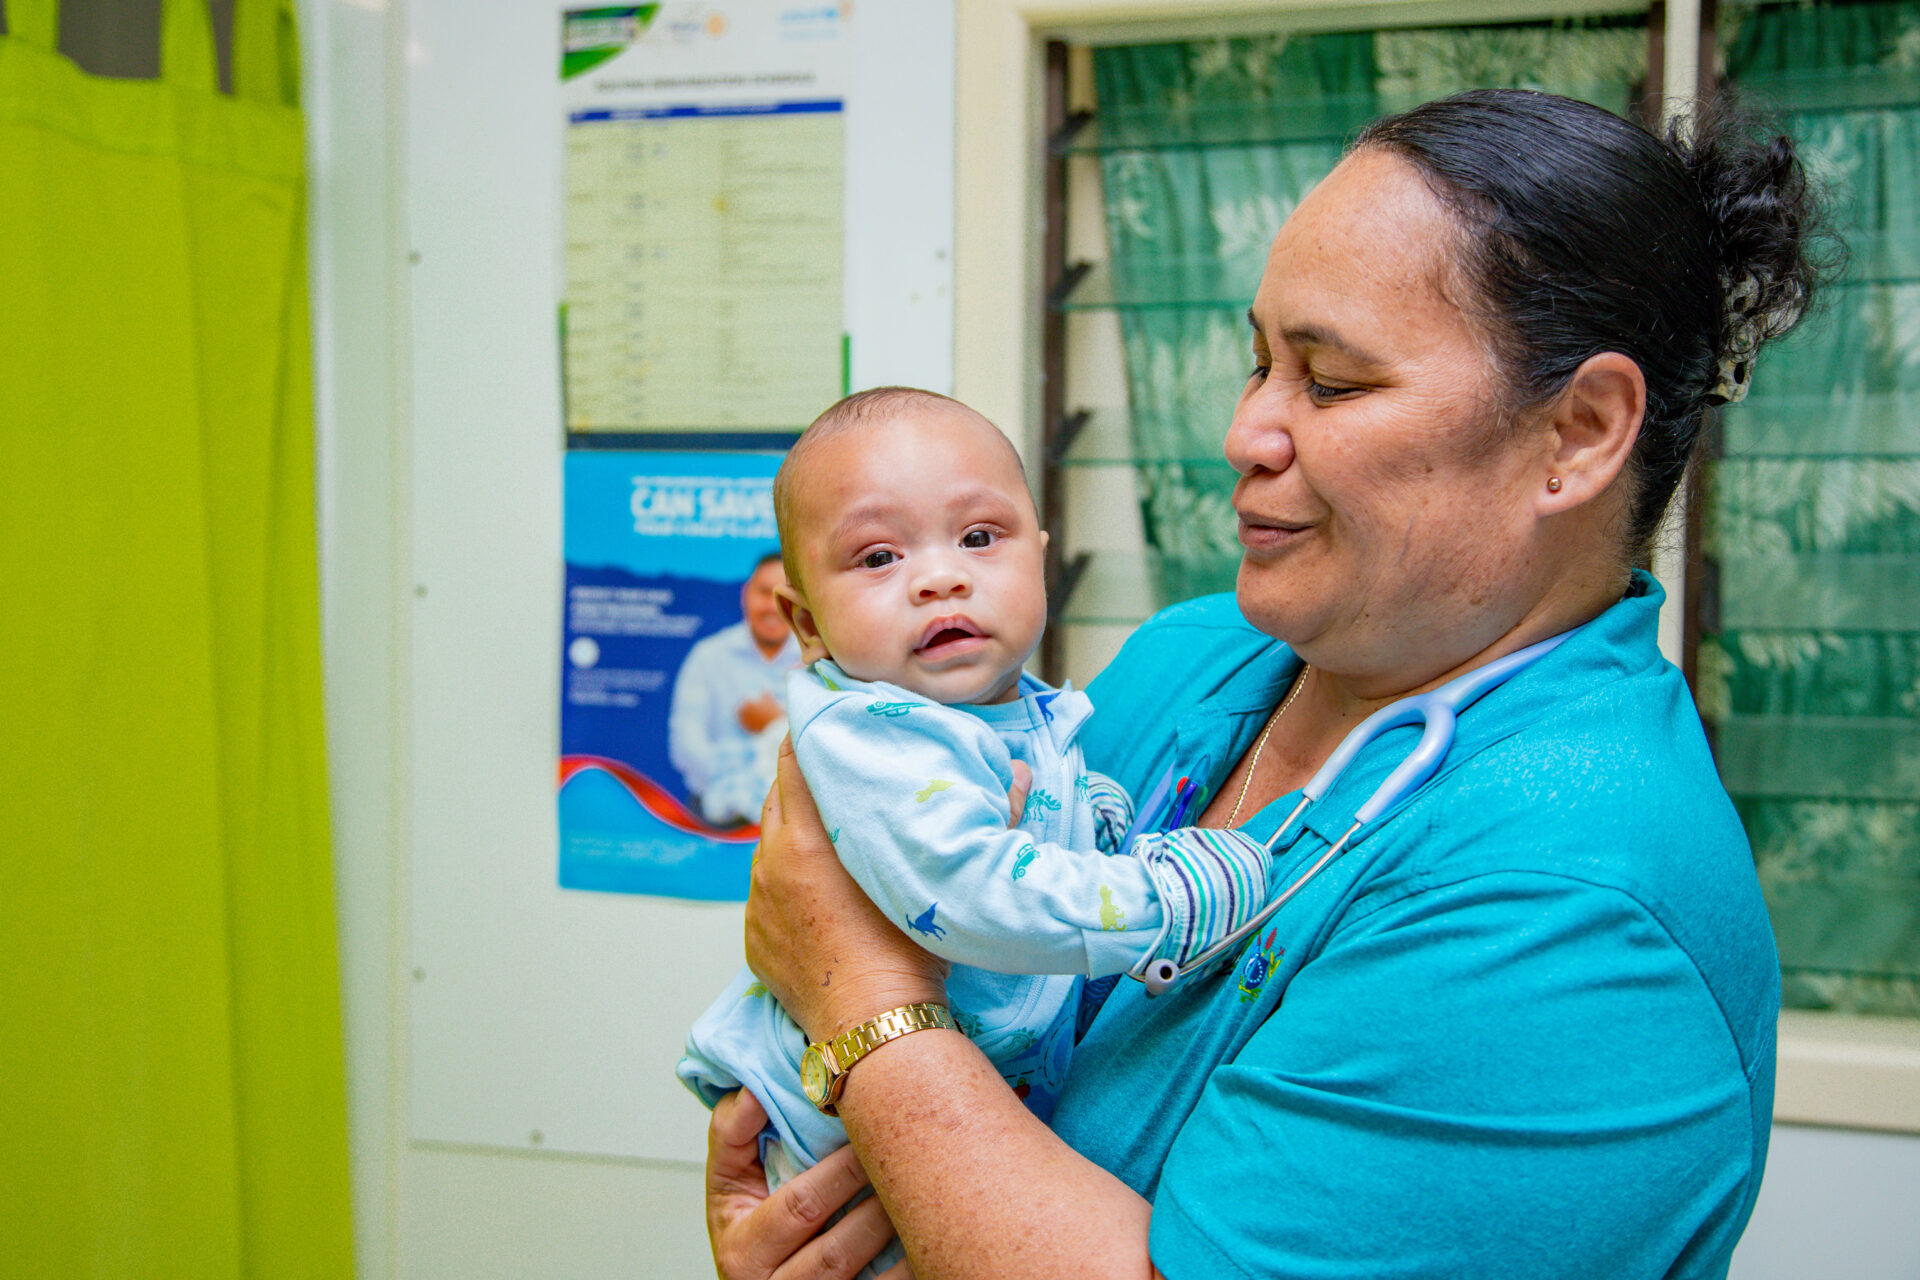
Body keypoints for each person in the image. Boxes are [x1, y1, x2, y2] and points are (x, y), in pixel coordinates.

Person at [703, 89, 1828, 1280]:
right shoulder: (1190, 657)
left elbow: (865, 977)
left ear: (1579, 431)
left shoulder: (1577, 910)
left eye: (1330, 381)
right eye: (1260, 362)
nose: (1246, 431)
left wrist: (863, 1000)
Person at [680, 388, 1282, 1276]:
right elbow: (975, 893)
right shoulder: (876, 734)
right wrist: (1162, 901)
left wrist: (1087, 816)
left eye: (978, 537)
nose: (940, 577)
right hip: (845, 1150)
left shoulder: (1001, 712)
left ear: (1040, 556)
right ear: (807, 624)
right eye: (878, 556)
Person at [667, 552, 803, 825]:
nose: (773, 606)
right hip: (717, 816)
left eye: (784, 595)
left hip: (796, 813)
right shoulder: (707, 656)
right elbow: (685, 745)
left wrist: (774, 724)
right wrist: (738, 790)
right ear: (745, 594)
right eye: (764, 592)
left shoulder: (818, 660)